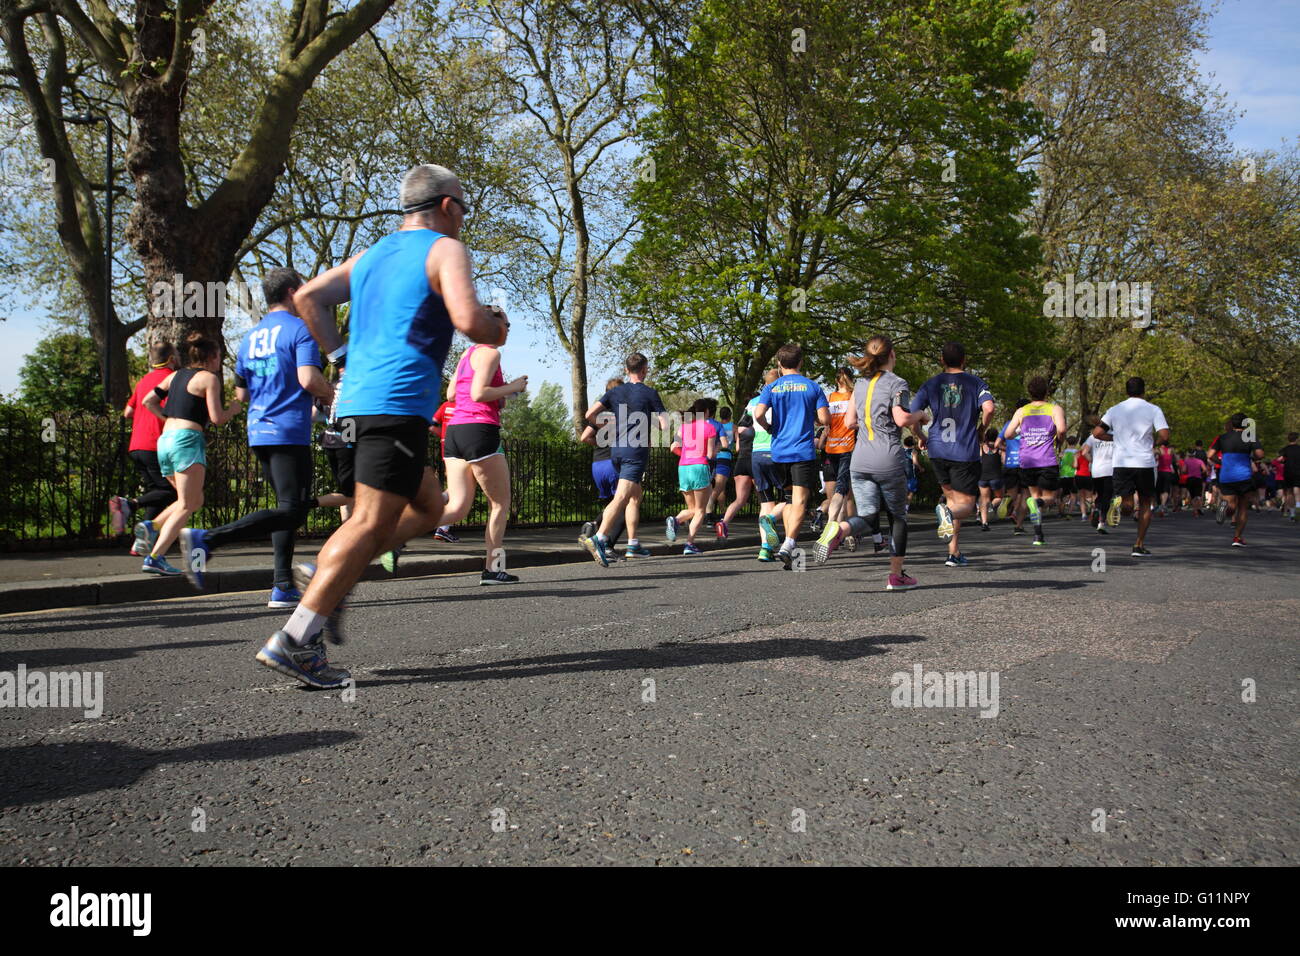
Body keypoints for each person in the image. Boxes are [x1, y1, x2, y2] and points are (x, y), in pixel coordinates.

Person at [255, 163, 508, 688]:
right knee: (369, 522)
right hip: (394, 405)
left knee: (429, 507)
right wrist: (496, 326)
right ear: (444, 205)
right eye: (463, 206)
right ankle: (297, 638)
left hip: (356, 404)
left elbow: (307, 298)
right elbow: (469, 322)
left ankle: (333, 576)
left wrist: (340, 353)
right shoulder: (445, 250)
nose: (464, 217)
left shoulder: (371, 255)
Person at [177, 268, 335, 606]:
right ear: (293, 293)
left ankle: (282, 586)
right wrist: (331, 393)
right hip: (289, 429)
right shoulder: (300, 331)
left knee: (285, 509)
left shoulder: (250, 338)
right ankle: (208, 539)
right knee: (293, 511)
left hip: (258, 430)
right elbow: (309, 380)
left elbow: (242, 394)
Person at [814, 335, 927, 590]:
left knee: (867, 516)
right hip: (887, 458)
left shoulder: (861, 386)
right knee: (898, 518)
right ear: (892, 355)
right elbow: (901, 419)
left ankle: (838, 530)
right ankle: (896, 576)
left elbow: (851, 422)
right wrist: (921, 415)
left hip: (860, 460)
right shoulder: (898, 383)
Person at [137, 335, 242, 575]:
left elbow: (148, 400)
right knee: (187, 504)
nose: (219, 362)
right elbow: (216, 419)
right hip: (186, 441)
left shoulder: (175, 375)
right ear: (212, 357)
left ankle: (151, 526)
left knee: (194, 501)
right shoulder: (209, 379)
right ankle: (155, 556)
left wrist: (167, 418)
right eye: (219, 357)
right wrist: (233, 410)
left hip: (165, 441)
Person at [435, 328, 528, 583]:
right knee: (499, 504)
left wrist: (504, 393)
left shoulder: (467, 353)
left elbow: (452, 394)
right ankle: (492, 569)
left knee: (456, 507)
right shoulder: (490, 352)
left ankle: (396, 535)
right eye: (506, 325)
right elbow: (479, 394)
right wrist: (514, 386)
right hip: (480, 430)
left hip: (455, 431)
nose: (508, 330)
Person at [909, 342, 995, 567]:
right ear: (964, 360)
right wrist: (982, 430)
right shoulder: (975, 382)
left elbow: (911, 414)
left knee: (951, 500)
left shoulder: (931, 384)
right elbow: (989, 408)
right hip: (964, 452)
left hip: (938, 450)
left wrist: (920, 435)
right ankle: (946, 515)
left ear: (942, 360)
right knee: (965, 505)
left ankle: (953, 553)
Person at [581, 352, 669, 567]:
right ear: (645, 369)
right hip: (634, 451)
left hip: (616, 452)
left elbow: (589, 415)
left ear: (627, 370)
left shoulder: (615, 392)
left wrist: (604, 426)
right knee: (621, 498)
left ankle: (633, 544)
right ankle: (599, 538)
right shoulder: (649, 393)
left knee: (634, 497)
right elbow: (665, 425)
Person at [752, 344, 831, 569]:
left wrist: (769, 427)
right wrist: (815, 420)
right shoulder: (812, 387)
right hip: (802, 450)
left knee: (788, 500)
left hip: (779, 451)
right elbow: (825, 419)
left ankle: (787, 546)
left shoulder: (772, 387)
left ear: (779, 363)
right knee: (801, 501)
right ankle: (788, 543)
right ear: (801, 362)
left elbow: (758, 414)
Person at [115, 340, 180, 556]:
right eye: (177, 355)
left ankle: (141, 543)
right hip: (156, 443)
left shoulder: (144, 381)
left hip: (136, 445)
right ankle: (130, 504)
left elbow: (128, 412)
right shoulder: (170, 380)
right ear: (171, 359)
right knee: (170, 491)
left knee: (160, 492)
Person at [1093, 377, 1169, 557]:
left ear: (1126, 391)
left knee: (1127, 504)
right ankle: (1138, 545)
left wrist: (1115, 439)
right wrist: (1153, 444)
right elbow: (1164, 435)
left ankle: (1118, 503)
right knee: (1144, 503)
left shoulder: (1115, 409)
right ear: (1144, 391)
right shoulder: (1153, 409)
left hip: (1122, 462)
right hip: (1144, 463)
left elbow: (1097, 433)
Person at [1001, 376, 1066, 547]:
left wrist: (1023, 434)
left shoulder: (1022, 411)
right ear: (1046, 391)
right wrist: (1058, 440)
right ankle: (1037, 504)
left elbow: (1008, 434)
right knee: (1049, 498)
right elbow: (1061, 429)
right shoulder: (1054, 409)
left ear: (1030, 393)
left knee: (1034, 496)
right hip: (1046, 459)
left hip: (1027, 461)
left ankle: (1038, 535)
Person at [739, 369, 785, 561]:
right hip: (778, 453)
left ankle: (765, 548)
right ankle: (777, 528)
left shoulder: (752, 403)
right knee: (791, 499)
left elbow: (742, 429)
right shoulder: (783, 397)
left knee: (765, 502)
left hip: (756, 454)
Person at [579, 377, 626, 551]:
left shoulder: (600, 416)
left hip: (598, 464)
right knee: (624, 508)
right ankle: (607, 547)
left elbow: (584, 437)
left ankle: (593, 524)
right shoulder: (623, 415)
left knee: (611, 505)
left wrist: (601, 443)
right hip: (614, 464)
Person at [668, 398, 718, 555]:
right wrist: (718, 449)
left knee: (693, 509)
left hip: (683, 467)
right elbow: (710, 454)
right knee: (701, 510)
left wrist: (685, 455)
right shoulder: (709, 428)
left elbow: (673, 447)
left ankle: (675, 521)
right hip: (699, 467)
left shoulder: (683, 427)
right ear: (707, 412)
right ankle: (689, 543)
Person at [1209, 413, 1266, 547]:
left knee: (1231, 505)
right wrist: (1253, 458)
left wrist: (1221, 462)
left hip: (1227, 475)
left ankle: (1224, 508)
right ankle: (1237, 537)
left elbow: (1210, 455)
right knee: (1242, 507)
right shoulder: (1250, 437)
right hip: (1244, 475)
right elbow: (1260, 454)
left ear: (1232, 424)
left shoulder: (1222, 437)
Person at [704, 406, 734, 533]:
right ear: (730, 415)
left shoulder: (711, 425)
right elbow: (730, 444)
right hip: (724, 456)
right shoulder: (733, 427)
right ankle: (709, 511)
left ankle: (722, 512)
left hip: (710, 458)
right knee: (719, 488)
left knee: (717, 487)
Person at [977, 427, 1004, 529]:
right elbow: (1004, 461)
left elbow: (978, 459)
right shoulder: (1000, 448)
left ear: (986, 436)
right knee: (999, 498)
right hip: (996, 477)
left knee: (984, 500)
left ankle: (984, 523)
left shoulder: (981, 447)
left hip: (983, 477)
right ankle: (991, 506)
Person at [1073, 430, 1094, 521]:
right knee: (1090, 496)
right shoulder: (1090, 452)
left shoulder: (1077, 454)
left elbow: (1075, 466)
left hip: (1079, 476)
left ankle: (1084, 515)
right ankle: (1092, 512)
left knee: (1081, 496)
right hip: (1088, 475)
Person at [1181, 446, 1205, 517]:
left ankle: (1195, 511)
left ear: (1188, 454)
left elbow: (1183, 471)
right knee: (1198, 495)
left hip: (1190, 479)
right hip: (1198, 479)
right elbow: (1205, 470)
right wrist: (1200, 473)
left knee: (1192, 495)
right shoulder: (1199, 461)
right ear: (1195, 454)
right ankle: (1198, 508)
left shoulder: (1186, 461)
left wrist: (1187, 472)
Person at [1282, 432, 1300, 521]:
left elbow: (1280, 459)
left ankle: (1292, 513)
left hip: (1288, 472)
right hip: (1298, 471)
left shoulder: (1285, 449)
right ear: (1297, 439)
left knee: (1289, 492)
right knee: (1297, 489)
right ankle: (1298, 505)